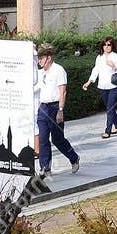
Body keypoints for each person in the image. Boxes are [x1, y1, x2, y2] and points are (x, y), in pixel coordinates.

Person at [34, 44, 80, 175]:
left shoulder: (59, 70)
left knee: (58, 139)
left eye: (41, 58)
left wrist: (60, 110)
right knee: (42, 138)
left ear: (48, 58)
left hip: (54, 107)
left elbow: (62, 92)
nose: (39, 61)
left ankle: (74, 158)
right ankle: (45, 167)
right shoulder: (40, 72)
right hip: (43, 107)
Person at [82, 36, 117, 138]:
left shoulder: (116, 57)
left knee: (110, 107)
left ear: (112, 46)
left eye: (109, 45)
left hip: (113, 86)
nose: (106, 47)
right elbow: (95, 70)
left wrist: (113, 66)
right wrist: (89, 82)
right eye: (104, 45)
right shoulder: (99, 57)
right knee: (109, 107)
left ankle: (108, 130)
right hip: (102, 86)